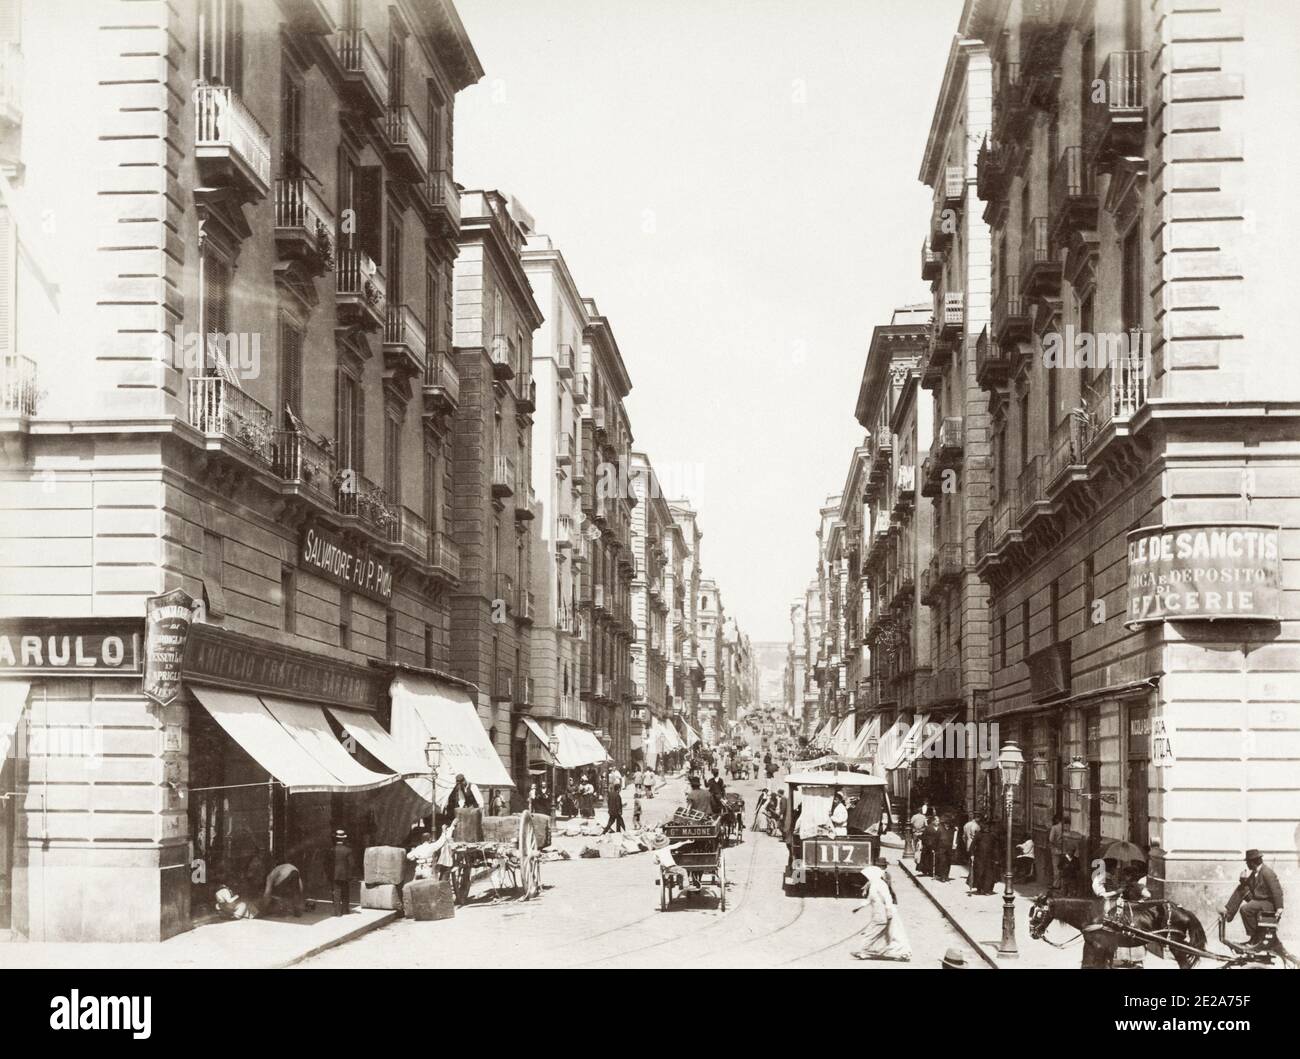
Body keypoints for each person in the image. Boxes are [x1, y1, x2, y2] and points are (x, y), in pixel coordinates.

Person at [1222, 849, 1284, 947]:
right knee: (1241, 888)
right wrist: (1242, 880)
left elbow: (1277, 891)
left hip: (1267, 903)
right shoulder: (1256, 871)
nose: (1247, 864)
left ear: (1253, 862)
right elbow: (1248, 886)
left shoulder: (1267, 872)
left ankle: (1255, 938)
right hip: (1259, 899)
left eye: (1247, 862)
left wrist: (1279, 908)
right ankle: (1228, 912)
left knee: (1245, 909)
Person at [851, 864, 911, 962]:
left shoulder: (880, 884)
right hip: (880, 913)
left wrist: (888, 912)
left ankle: (864, 952)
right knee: (888, 935)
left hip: (886, 914)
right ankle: (874, 952)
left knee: (882, 933)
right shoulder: (874, 884)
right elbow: (870, 899)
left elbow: (887, 899)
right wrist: (859, 907)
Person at [969, 818, 997, 895]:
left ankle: (987, 890)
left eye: (988, 827)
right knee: (979, 873)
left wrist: (996, 857)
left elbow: (996, 847)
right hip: (979, 857)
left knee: (988, 874)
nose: (986, 828)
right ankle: (979, 889)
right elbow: (973, 845)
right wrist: (972, 854)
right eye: (985, 826)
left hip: (989, 858)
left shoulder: (992, 835)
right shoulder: (979, 834)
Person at [331, 828, 354, 917]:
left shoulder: (332, 850)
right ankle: (345, 910)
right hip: (345, 874)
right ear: (344, 839)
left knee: (336, 892)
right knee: (345, 891)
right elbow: (351, 864)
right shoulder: (348, 850)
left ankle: (337, 912)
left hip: (335, 874)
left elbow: (328, 863)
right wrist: (350, 875)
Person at [1048, 813, 1066, 891]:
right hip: (1064, 850)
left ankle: (1056, 884)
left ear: (1057, 819)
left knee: (1056, 867)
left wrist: (1054, 845)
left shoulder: (1054, 827)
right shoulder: (1065, 827)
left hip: (1056, 850)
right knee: (1063, 867)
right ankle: (1063, 885)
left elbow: (1051, 839)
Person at [933, 816, 953, 883]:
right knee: (942, 862)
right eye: (946, 824)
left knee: (948, 863)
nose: (947, 825)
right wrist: (935, 849)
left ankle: (946, 876)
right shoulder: (940, 829)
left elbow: (953, 839)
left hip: (949, 849)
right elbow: (935, 839)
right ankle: (942, 876)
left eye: (948, 824)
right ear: (944, 824)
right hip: (941, 849)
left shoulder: (951, 830)